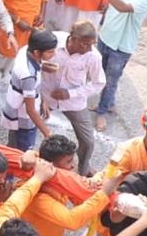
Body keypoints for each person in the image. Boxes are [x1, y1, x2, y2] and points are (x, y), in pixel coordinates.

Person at [93, 0, 147, 131]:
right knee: (100, 74)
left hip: (121, 47)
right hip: (105, 37)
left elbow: (122, 7)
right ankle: (109, 103)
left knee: (110, 81)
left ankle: (102, 112)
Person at [41, 24, 105, 176]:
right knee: (25, 124)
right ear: (73, 39)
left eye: (92, 45)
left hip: (73, 101)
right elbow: (31, 56)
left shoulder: (93, 56)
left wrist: (70, 94)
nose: (89, 48)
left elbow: (98, 83)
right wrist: (42, 66)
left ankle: (82, 172)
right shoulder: (53, 40)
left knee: (88, 141)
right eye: (86, 44)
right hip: (45, 95)